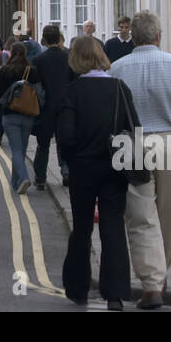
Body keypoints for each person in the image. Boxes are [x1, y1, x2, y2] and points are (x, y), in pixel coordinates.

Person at [109, 10, 171, 306]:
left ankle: (150, 282)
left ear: (132, 37)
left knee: (139, 216)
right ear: (158, 36)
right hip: (170, 141)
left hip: (132, 143)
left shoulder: (116, 68)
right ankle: (161, 277)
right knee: (166, 214)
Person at [58, 35, 132, 309]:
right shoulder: (120, 88)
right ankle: (115, 294)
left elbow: (65, 136)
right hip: (115, 167)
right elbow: (133, 127)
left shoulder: (73, 91)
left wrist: (71, 160)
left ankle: (78, 288)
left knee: (82, 227)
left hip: (83, 168)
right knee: (113, 226)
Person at [31, 24, 74, 190]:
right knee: (64, 142)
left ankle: (40, 178)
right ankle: (66, 172)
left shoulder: (38, 60)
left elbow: (33, 81)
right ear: (59, 38)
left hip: (45, 107)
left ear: (44, 40)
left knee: (43, 145)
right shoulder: (69, 57)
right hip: (66, 106)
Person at [0, 42, 42, 193]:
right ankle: (15, 183)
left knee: (15, 149)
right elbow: (39, 92)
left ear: (10, 52)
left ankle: (23, 178)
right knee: (21, 149)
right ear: (25, 53)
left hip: (10, 114)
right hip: (28, 114)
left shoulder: (4, 70)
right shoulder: (32, 71)